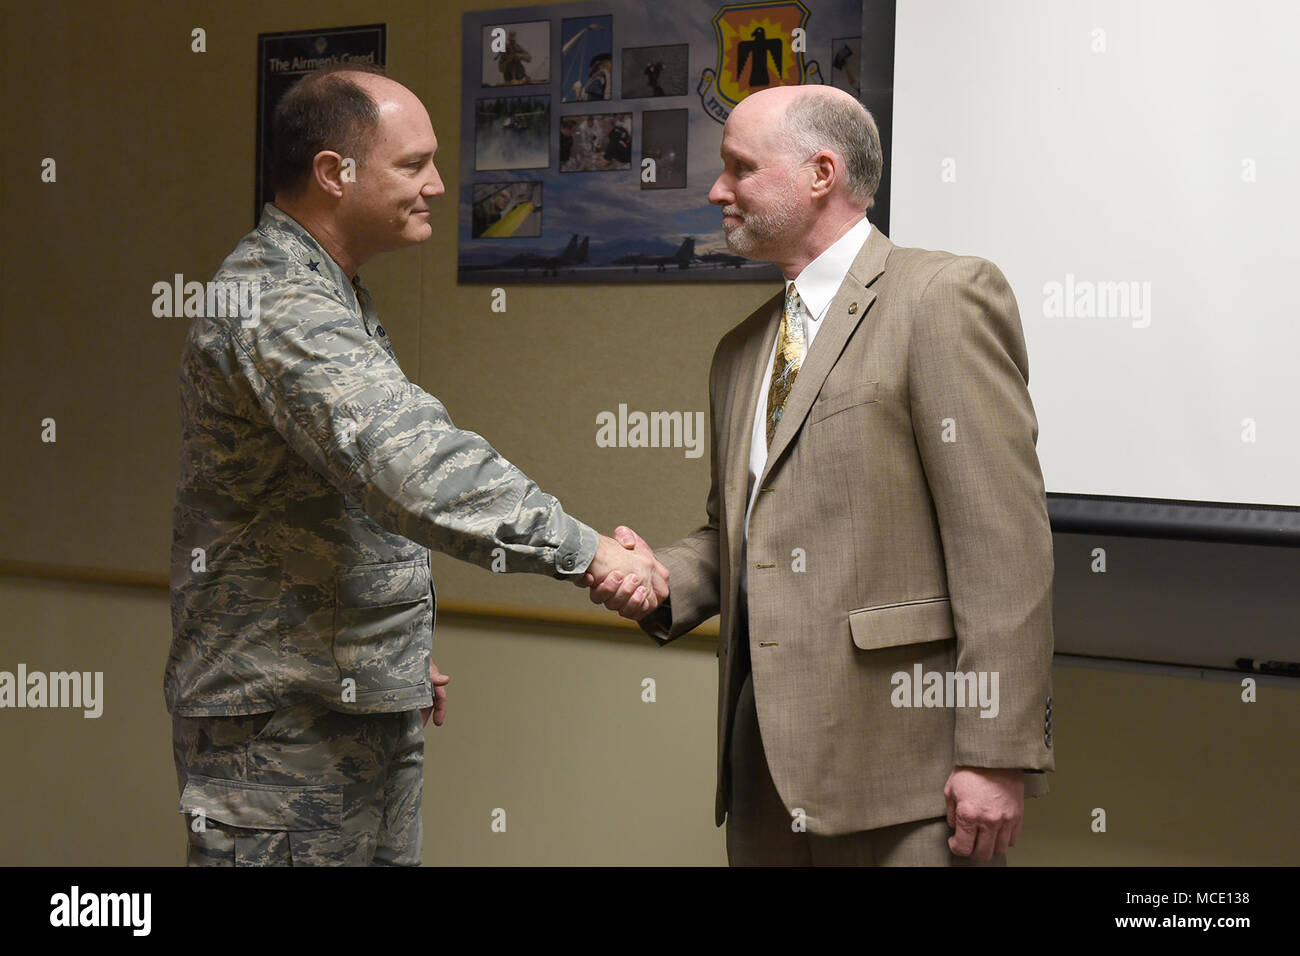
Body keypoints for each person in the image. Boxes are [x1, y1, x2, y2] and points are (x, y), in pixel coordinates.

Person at [167, 63, 666, 867]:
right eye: (414, 164)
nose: (437, 184)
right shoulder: (277, 302)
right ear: (334, 172)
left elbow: (337, 495)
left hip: (343, 704)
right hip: (284, 737)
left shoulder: (331, 291)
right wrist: (590, 553)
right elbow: (411, 468)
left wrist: (387, 647)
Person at [587, 85, 1055, 866]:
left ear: (820, 173)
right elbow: (737, 530)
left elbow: (1002, 545)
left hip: (910, 775)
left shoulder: (942, 297)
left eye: (739, 167)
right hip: (765, 767)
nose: (715, 190)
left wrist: (996, 752)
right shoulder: (741, 349)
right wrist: (662, 577)